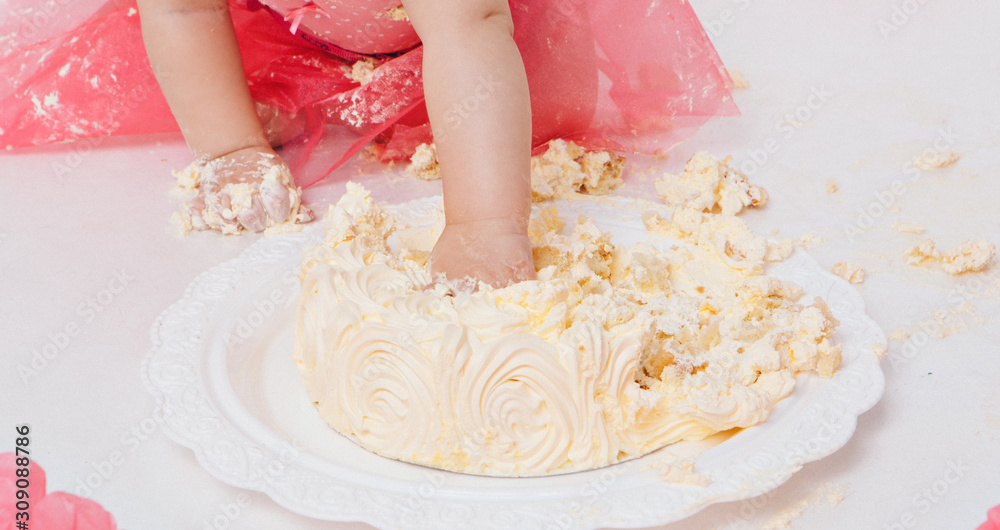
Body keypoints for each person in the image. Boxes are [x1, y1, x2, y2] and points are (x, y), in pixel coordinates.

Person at [1, 0, 737, 286]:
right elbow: (183, 10)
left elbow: (471, 26)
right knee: (234, 84)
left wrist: (485, 225)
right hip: (297, 28)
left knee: (530, 90)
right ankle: (310, 83)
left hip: (467, 32)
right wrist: (231, 147)